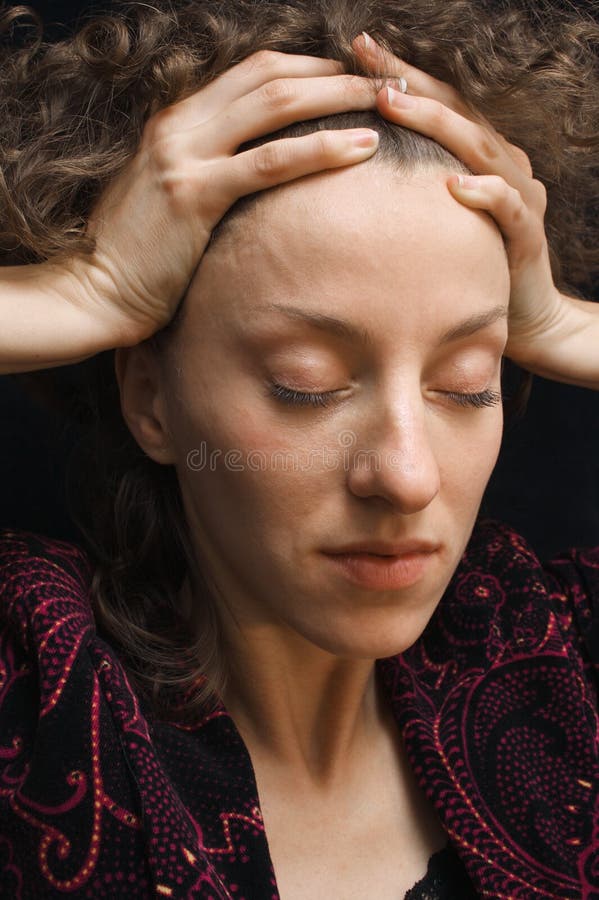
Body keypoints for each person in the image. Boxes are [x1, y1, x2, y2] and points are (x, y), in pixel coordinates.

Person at [0, 0, 597, 897]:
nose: (405, 474)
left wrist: (560, 321)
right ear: (149, 397)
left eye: (465, 381)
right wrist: (89, 287)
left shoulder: (564, 661)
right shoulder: (33, 690)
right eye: (305, 385)